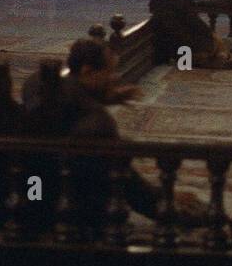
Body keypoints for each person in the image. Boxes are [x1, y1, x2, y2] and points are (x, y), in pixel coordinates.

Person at [21, 37, 157, 231]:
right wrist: (164, 201)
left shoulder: (36, 84)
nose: (115, 78)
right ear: (87, 71)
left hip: (32, 195)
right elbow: (128, 185)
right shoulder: (97, 123)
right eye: (109, 72)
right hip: (72, 214)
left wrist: (102, 96)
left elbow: (70, 100)